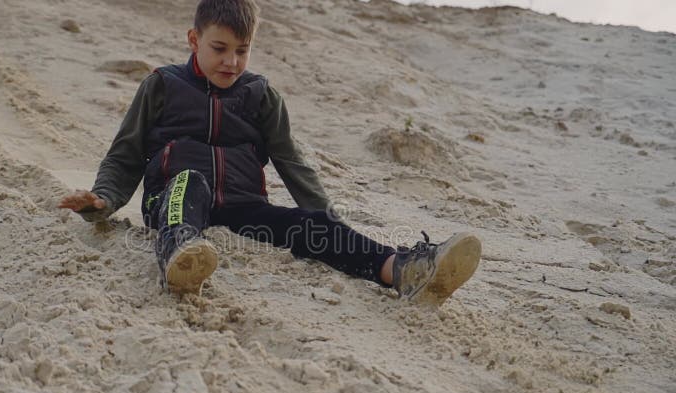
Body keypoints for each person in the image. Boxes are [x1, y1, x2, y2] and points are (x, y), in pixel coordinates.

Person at [58, 0, 481, 303]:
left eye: (242, 51)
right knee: (190, 181)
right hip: (174, 205)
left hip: (244, 210)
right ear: (194, 40)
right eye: (219, 48)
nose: (232, 62)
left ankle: (404, 271)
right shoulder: (162, 85)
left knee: (313, 225)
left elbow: (291, 161)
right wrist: (104, 199)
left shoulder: (260, 95)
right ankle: (179, 255)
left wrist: (326, 218)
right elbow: (126, 151)